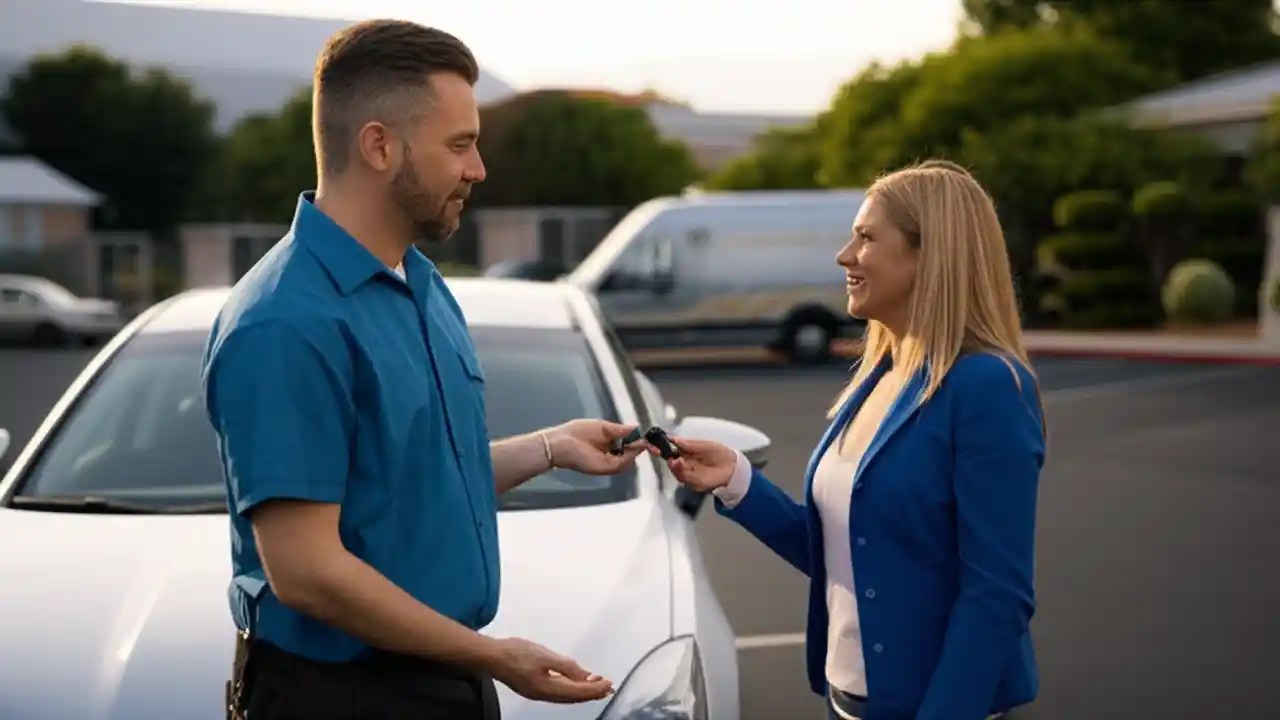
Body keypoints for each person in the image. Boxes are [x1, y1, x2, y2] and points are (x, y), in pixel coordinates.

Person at [201, 19, 646, 720]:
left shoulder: (422, 285)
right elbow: (306, 573)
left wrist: (551, 448)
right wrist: (496, 658)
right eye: (460, 145)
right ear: (379, 145)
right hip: (340, 698)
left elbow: (412, 480)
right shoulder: (284, 321)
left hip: (442, 677)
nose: (478, 170)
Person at [656, 160, 1047, 720]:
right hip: (848, 701)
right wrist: (738, 481)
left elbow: (998, 595)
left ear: (926, 254)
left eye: (866, 238)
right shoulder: (879, 376)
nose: (845, 255)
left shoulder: (986, 387)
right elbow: (853, 556)